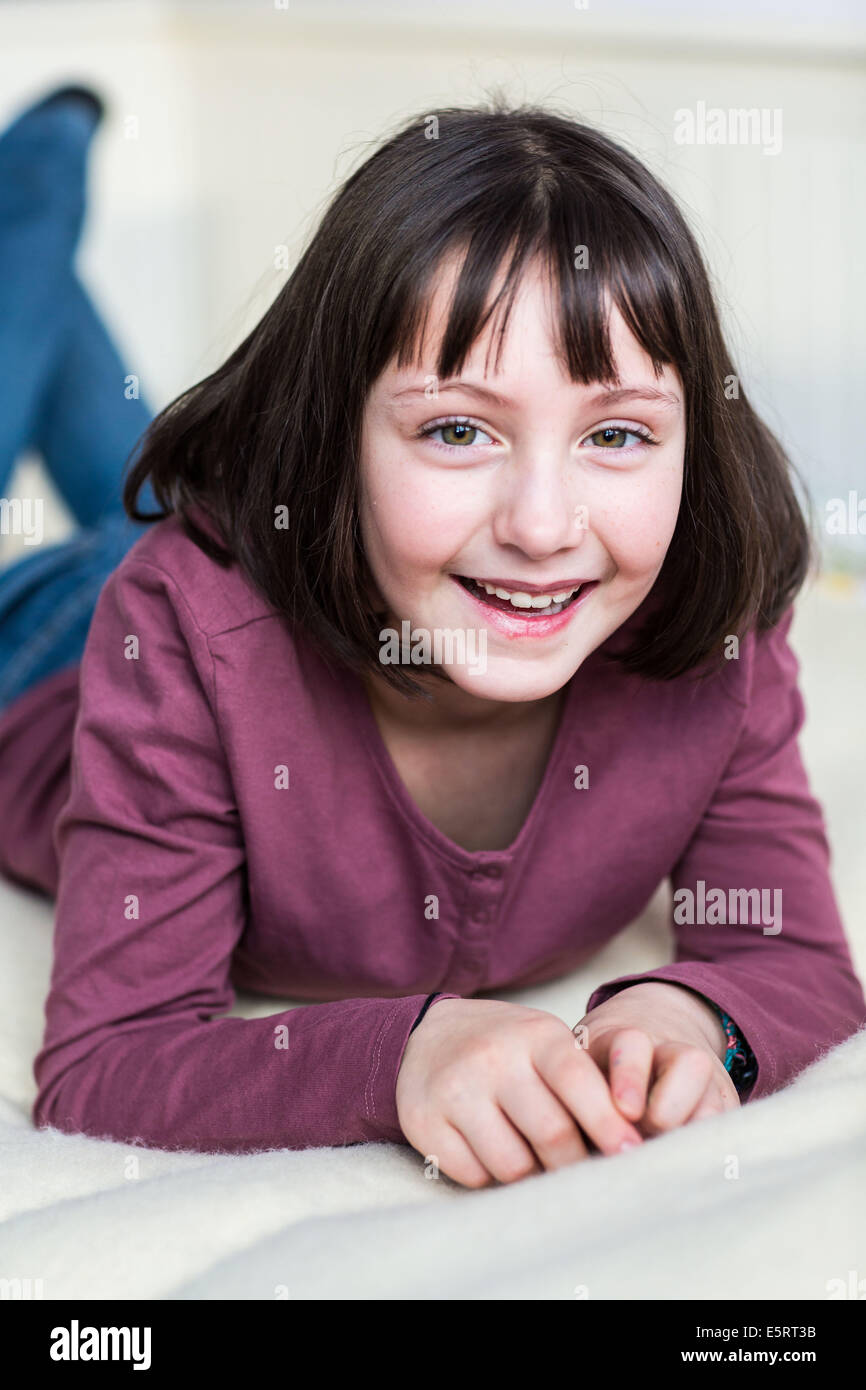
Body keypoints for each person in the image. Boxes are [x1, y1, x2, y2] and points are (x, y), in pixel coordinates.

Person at [1, 92, 862, 1189]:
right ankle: (36, 172)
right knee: (149, 503)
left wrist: (691, 1012)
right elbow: (108, 1056)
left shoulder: (715, 621)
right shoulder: (183, 621)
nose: (544, 527)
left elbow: (787, 955)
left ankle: (32, 193)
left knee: (162, 472)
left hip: (319, 555)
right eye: (457, 428)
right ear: (334, 433)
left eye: (615, 433)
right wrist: (403, 1050)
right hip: (53, 643)